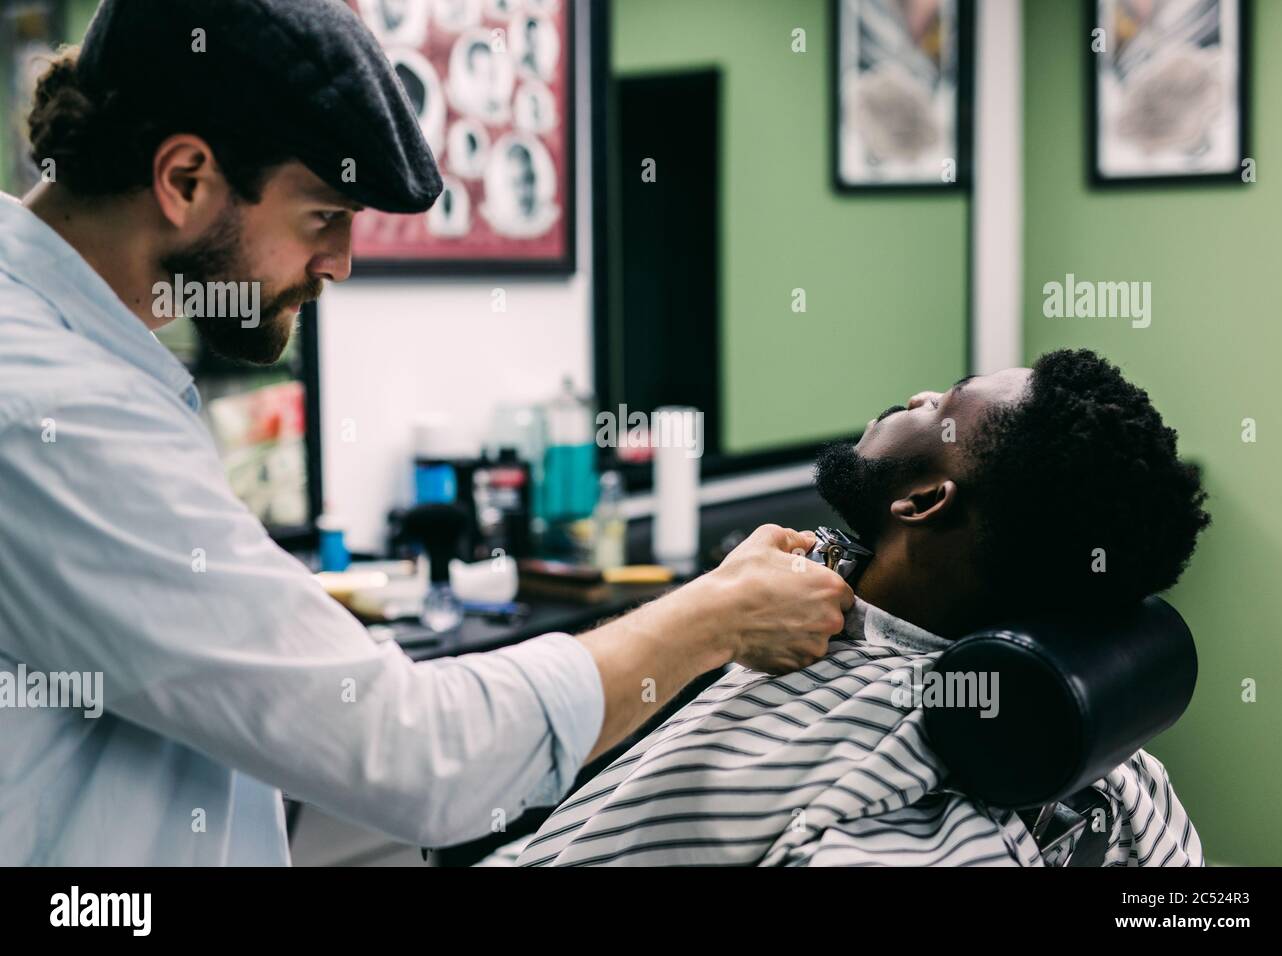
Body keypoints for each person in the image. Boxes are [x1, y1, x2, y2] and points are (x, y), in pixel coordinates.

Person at [0, 0, 852, 865]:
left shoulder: (65, 353)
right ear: (184, 179)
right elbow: (417, 758)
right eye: (324, 216)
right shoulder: (53, 408)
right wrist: (714, 619)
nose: (339, 264)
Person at [514, 350, 1211, 866]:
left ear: (923, 502)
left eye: (942, 405)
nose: (917, 395)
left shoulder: (892, 785)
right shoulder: (1129, 776)